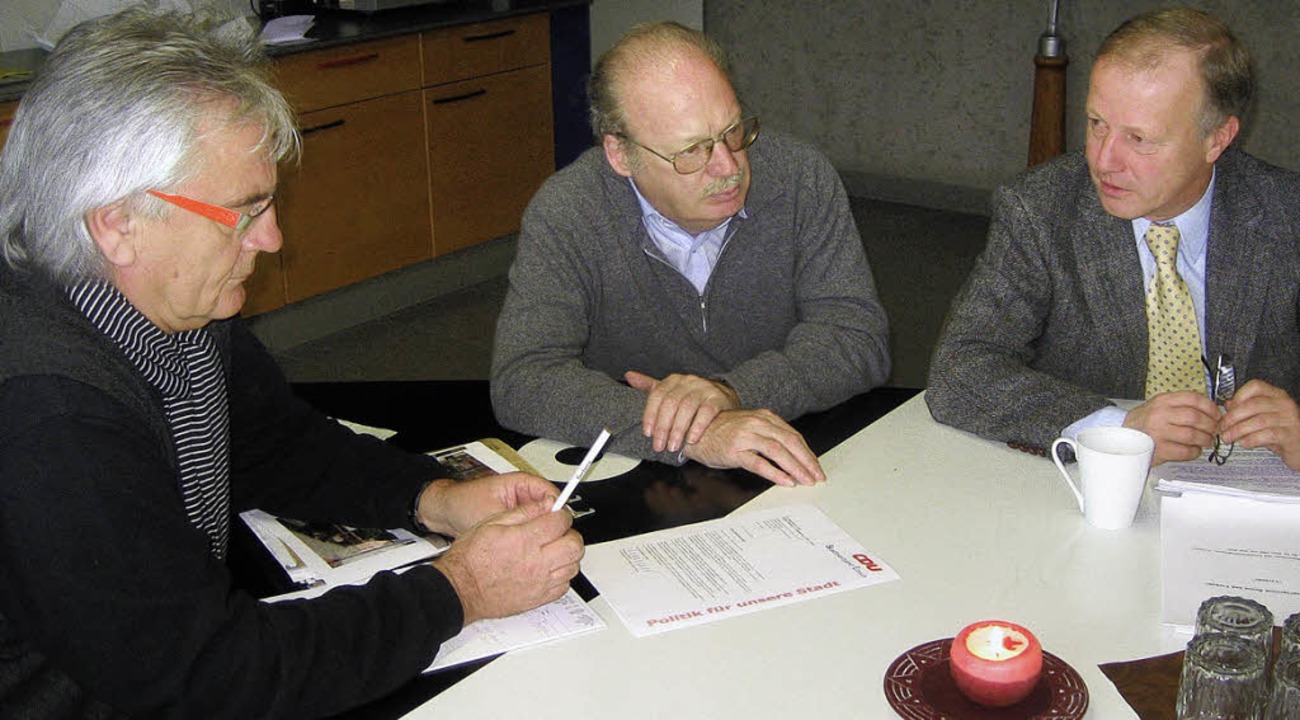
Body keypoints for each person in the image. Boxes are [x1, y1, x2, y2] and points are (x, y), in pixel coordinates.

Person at [0, 8, 583, 718]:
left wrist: (433, 497)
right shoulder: (48, 414)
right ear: (119, 223)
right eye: (246, 211)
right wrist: (459, 591)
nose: (272, 238)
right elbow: (205, 676)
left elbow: (269, 442)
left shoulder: (175, 302)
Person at [490, 22, 891, 487]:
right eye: (691, 151)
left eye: (733, 130)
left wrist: (731, 392)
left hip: (791, 446)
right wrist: (693, 433)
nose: (728, 166)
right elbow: (523, 378)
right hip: (637, 470)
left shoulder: (801, 179)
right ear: (621, 155)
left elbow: (858, 338)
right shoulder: (570, 210)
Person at [926, 7, 1300, 469]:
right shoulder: (1042, 210)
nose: (1104, 161)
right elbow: (960, 371)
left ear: (1217, 139)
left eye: (1139, 139)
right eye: (1097, 123)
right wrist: (1116, 430)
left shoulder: (1287, 217)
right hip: (1086, 492)